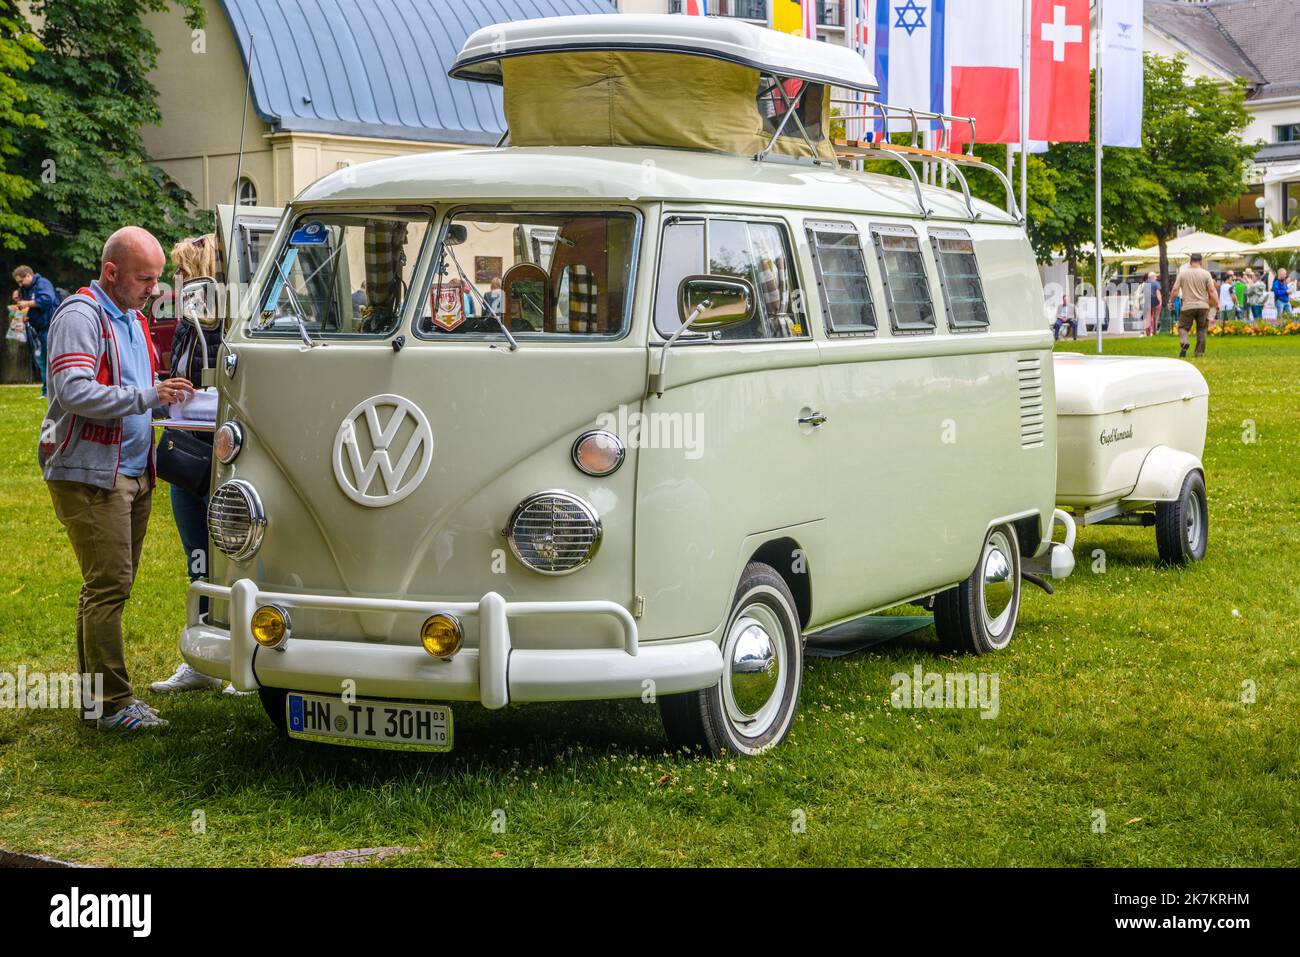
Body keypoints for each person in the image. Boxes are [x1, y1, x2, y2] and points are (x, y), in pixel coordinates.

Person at [39, 226, 196, 730]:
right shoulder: (80, 316)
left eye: (156, 279)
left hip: (131, 470)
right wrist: (151, 396)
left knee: (106, 587)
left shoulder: (130, 316)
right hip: (90, 473)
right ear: (111, 272)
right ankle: (111, 704)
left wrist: (164, 395)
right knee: (109, 585)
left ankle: (97, 701)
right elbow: (74, 391)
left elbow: (133, 387)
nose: (155, 288)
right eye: (144, 278)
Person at [149, 235, 248, 696]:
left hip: (223, 453)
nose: (179, 282)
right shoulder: (189, 323)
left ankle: (241, 653)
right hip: (186, 447)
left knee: (234, 556)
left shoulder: (235, 321)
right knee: (198, 556)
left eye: (185, 271)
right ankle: (203, 658)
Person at [13, 265, 59, 397]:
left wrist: (26, 303)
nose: (20, 285)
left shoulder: (42, 283)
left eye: (21, 281)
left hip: (48, 327)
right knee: (41, 361)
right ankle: (46, 392)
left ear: (28, 275)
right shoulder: (25, 288)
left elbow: (47, 300)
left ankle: (54, 392)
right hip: (35, 329)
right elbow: (26, 305)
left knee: (50, 360)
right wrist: (19, 300)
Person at [1170, 253, 1216, 359]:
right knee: (1201, 329)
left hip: (1187, 306)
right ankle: (1199, 353)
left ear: (1190, 261)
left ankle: (1184, 342)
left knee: (1182, 327)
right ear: (1200, 261)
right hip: (1203, 306)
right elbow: (1212, 290)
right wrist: (1217, 303)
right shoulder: (1206, 274)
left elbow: (1175, 290)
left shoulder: (1182, 273)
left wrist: (1171, 301)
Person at [1142, 272, 1162, 336]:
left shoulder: (1145, 284)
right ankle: (1154, 332)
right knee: (1155, 318)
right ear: (1153, 277)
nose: (1156, 277)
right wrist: (1160, 301)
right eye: (1155, 276)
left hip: (1147, 303)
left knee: (1148, 318)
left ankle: (1147, 333)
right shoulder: (1156, 283)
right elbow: (1157, 293)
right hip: (1155, 303)